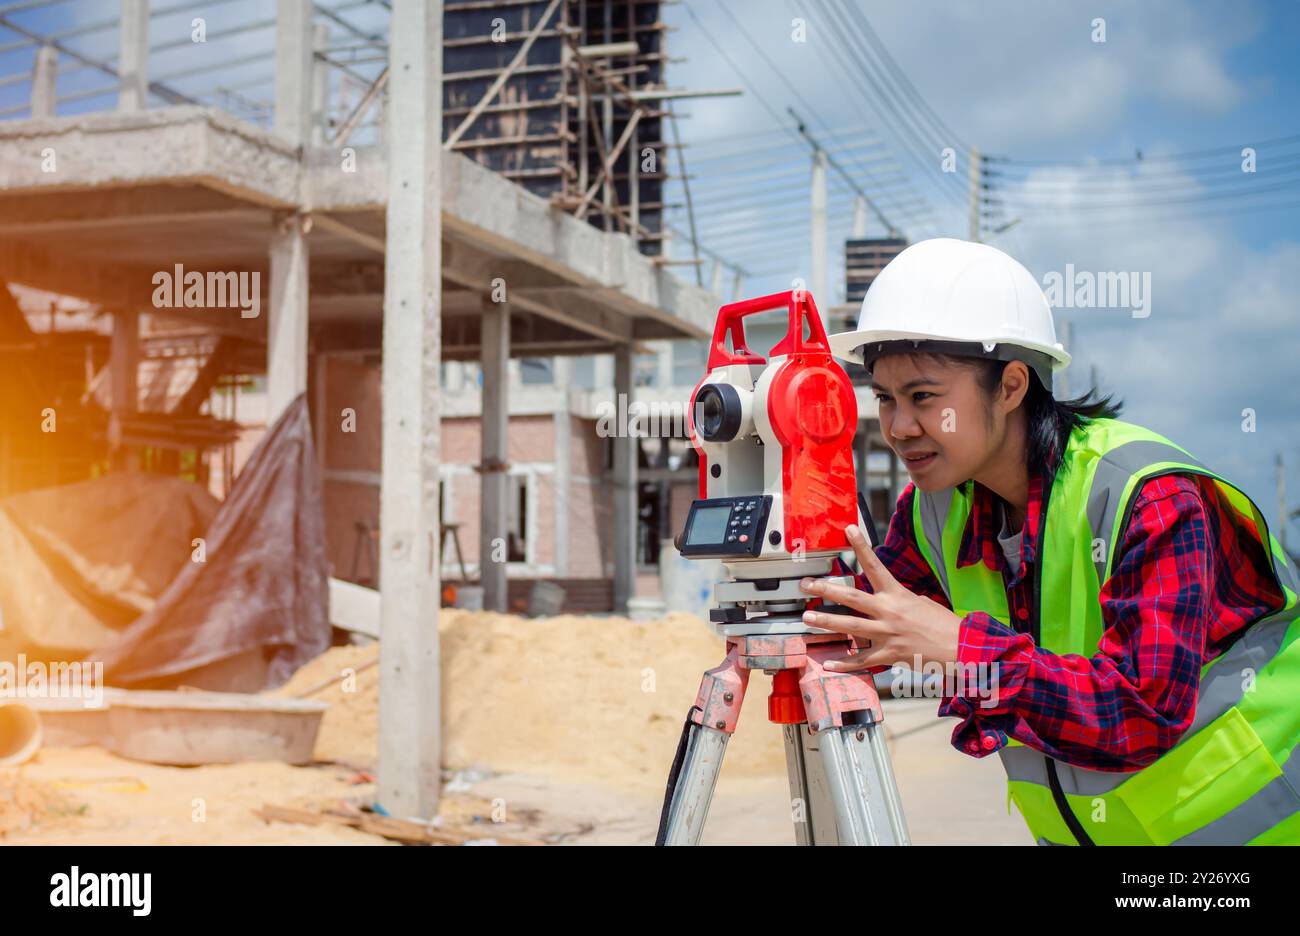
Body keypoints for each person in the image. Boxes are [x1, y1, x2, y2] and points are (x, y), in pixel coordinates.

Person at [797, 237, 1299, 846]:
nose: (900, 428)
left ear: (1010, 386)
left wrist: (963, 651)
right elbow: (861, 618)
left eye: (924, 397)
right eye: (884, 398)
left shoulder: (1148, 499)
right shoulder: (934, 512)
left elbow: (1141, 714)